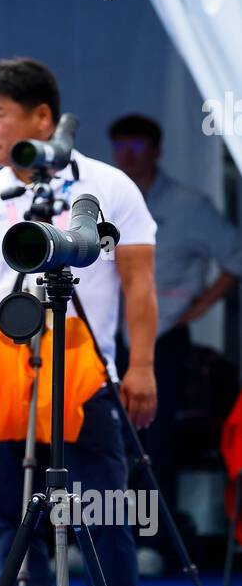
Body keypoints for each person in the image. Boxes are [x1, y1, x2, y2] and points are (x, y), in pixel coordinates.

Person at [0, 59, 158, 586]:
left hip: (85, 375)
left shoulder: (108, 188)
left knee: (105, 508)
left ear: (42, 118)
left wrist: (140, 367)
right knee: (11, 512)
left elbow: (139, 283)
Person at [109, 113, 242, 518]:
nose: (128, 155)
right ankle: (104, 534)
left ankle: (154, 540)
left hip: (164, 335)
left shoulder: (188, 205)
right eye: (121, 146)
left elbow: (236, 259)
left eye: (137, 146)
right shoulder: (103, 200)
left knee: (156, 436)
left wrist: (197, 308)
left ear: (156, 151)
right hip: (111, 335)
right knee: (107, 434)